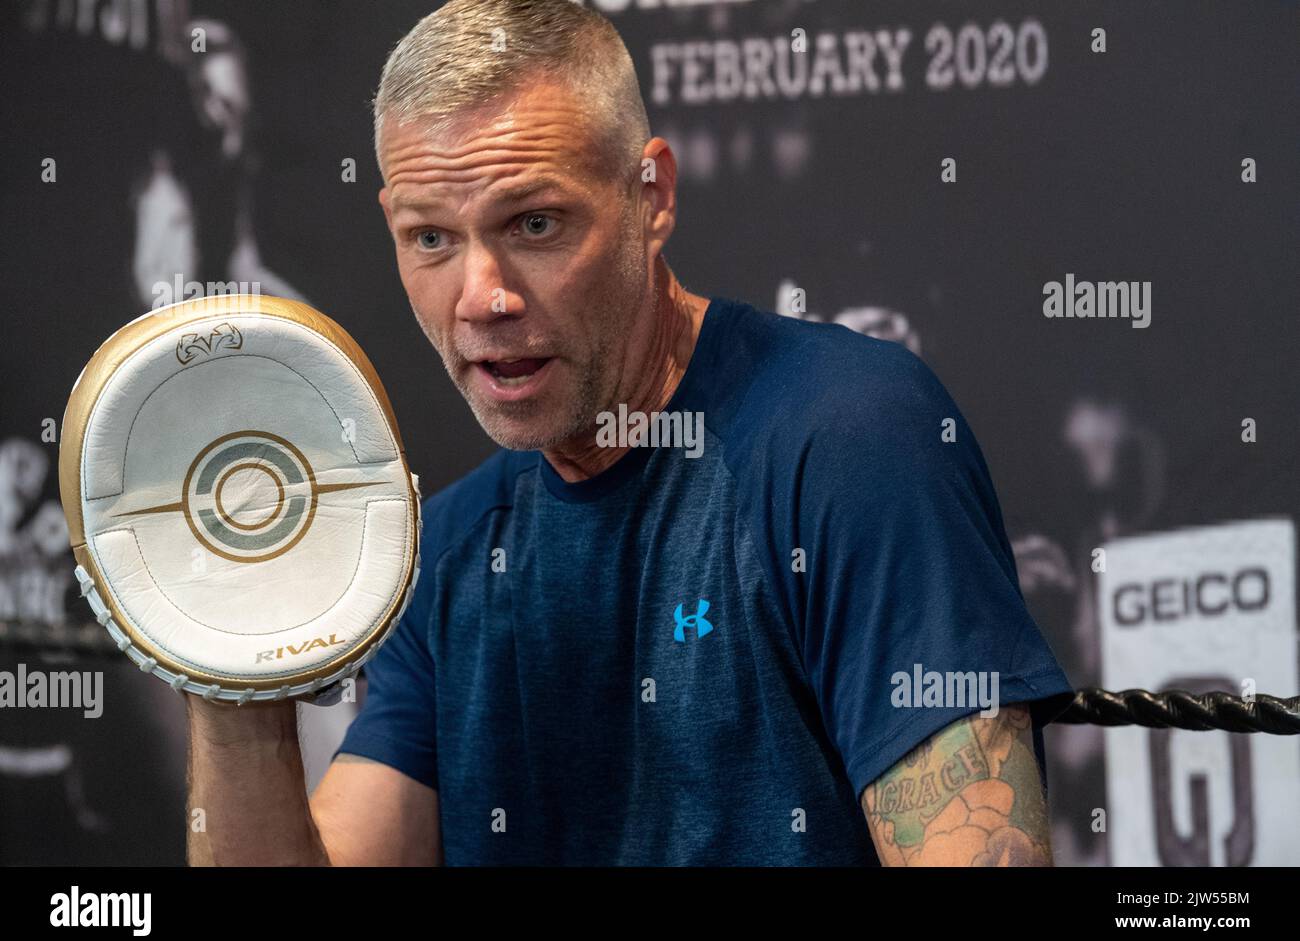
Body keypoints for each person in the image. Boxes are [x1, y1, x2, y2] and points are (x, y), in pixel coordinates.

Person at [185, 0, 1073, 867]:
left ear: (651, 196)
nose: (480, 297)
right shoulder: (453, 551)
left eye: (534, 223)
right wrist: (223, 663)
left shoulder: (849, 439)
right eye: (431, 239)